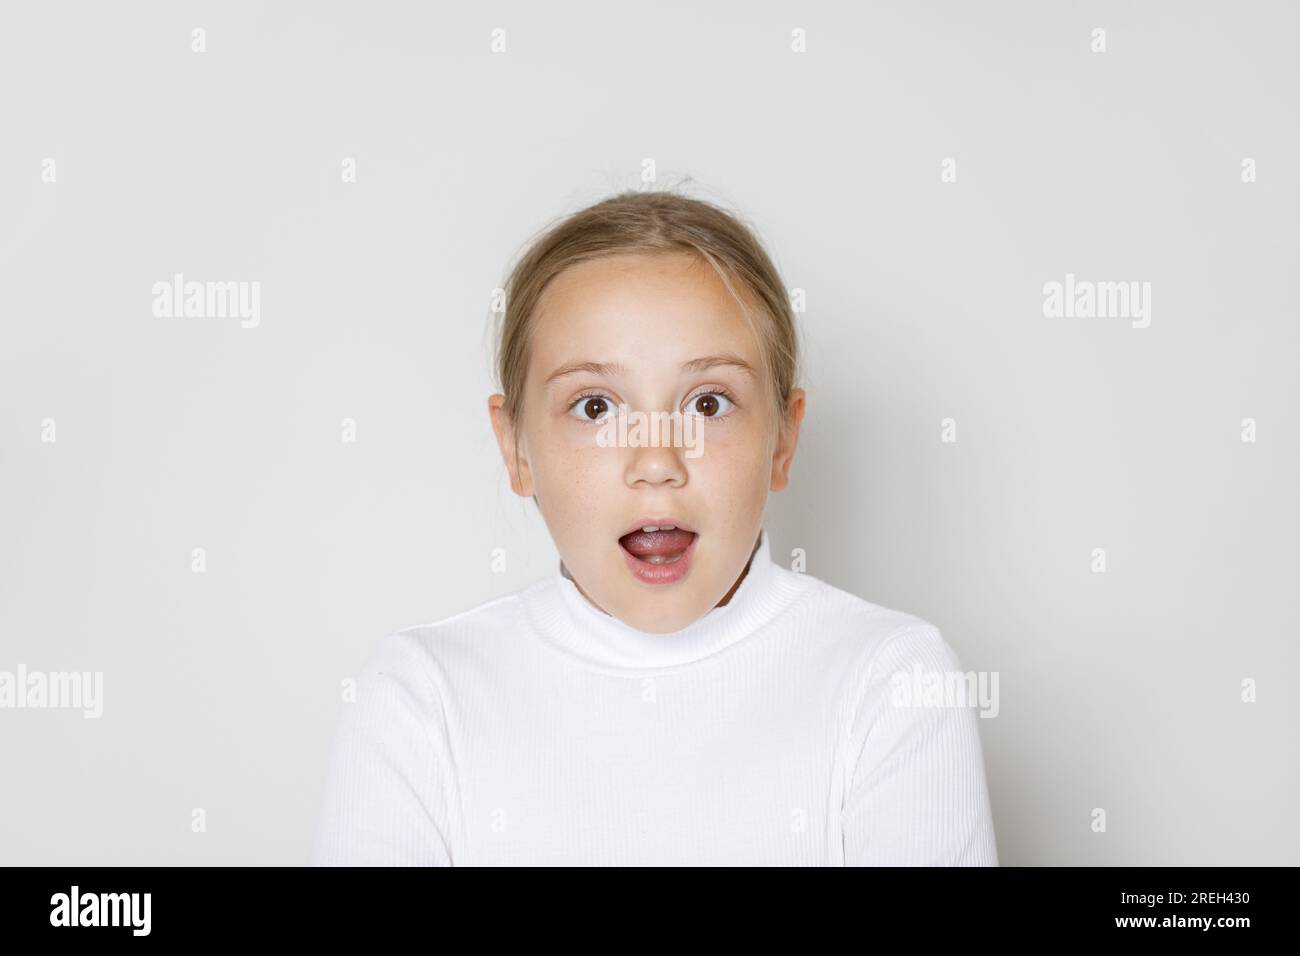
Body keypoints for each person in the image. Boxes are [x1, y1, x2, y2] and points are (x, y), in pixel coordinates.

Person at [311, 189, 998, 865]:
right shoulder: (420, 697)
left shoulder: (894, 684)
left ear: (783, 440)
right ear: (516, 449)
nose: (657, 462)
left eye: (707, 403)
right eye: (595, 407)